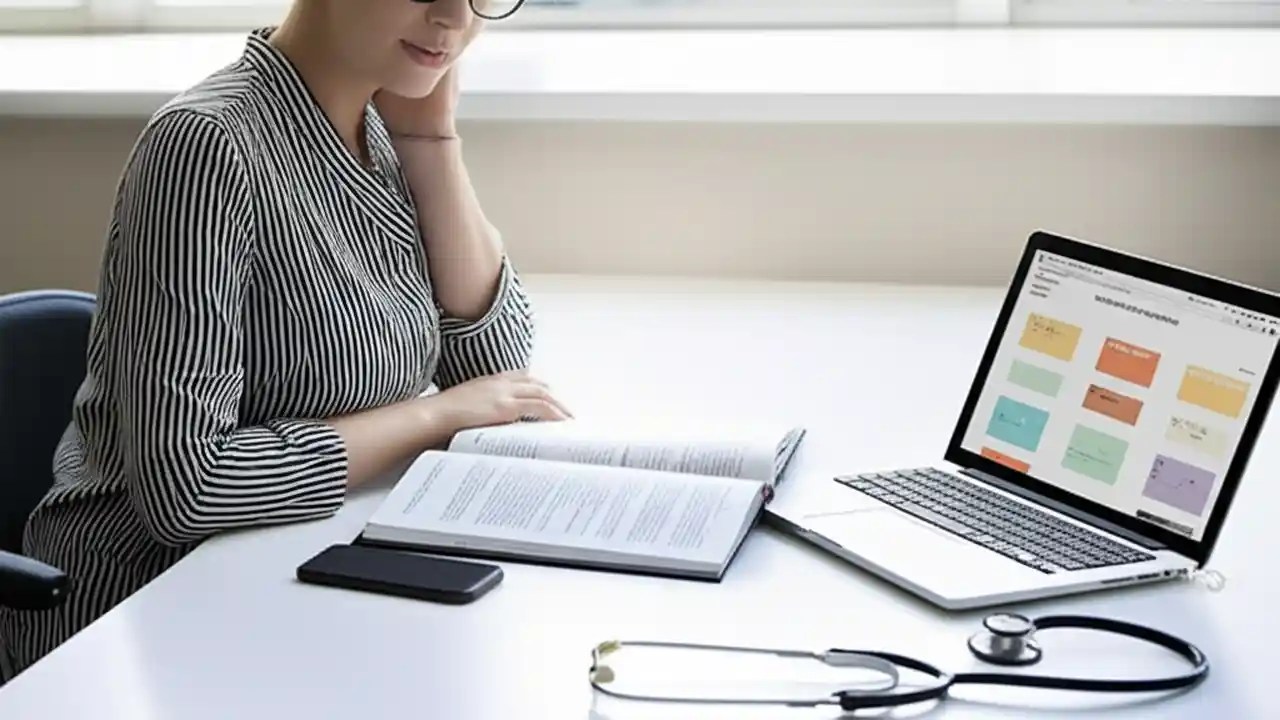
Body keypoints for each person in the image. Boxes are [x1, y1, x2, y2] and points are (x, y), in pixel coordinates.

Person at [0, 0, 569, 677]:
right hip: (138, 618)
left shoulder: (380, 132)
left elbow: (498, 373)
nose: (455, 16)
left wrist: (434, 145)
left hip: (293, 572)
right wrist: (431, 416)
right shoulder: (206, 147)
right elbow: (188, 486)